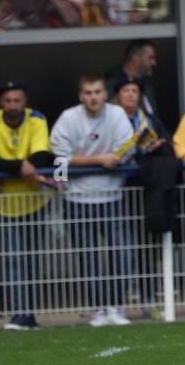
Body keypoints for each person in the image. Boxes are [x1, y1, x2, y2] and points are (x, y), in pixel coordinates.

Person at [50, 75, 136, 328]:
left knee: (123, 253)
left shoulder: (117, 115)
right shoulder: (68, 118)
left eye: (97, 92)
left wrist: (102, 158)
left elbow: (126, 150)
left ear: (105, 94)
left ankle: (116, 308)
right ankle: (99, 309)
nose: (93, 97)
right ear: (81, 96)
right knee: (88, 258)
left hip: (113, 197)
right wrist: (99, 160)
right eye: (87, 92)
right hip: (77, 198)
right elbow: (59, 158)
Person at [0, 83, 52, 331]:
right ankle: (19, 314)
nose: (12, 105)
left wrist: (9, 167)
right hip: (5, 205)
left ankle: (29, 314)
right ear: (1, 103)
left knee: (33, 261)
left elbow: (40, 157)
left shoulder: (37, 118)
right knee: (12, 260)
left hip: (34, 202)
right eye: (7, 100)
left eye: (17, 100)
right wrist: (20, 165)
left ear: (25, 101)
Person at [105, 40, 159, 119]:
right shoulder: (111, 85)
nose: (154, 63)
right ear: (135, 58)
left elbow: (153, 118)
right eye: (150, 58)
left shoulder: (147, 85)